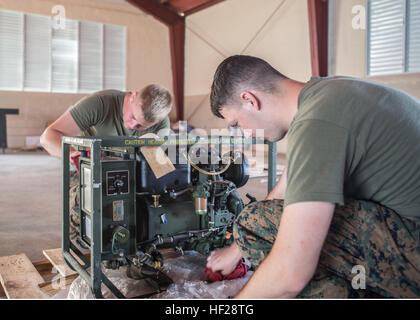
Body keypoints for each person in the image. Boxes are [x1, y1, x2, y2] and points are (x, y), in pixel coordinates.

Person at [206, 55, 420, 298]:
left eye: (236, 123)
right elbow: (291, 179)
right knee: (256, 223)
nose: (244, 134)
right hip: (408, 226)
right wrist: (236, 251)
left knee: (255, 224)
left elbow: (291, 275)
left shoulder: (316, 122)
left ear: (250, 100)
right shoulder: (327, 94)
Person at [40, 84, 173, 246]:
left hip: (127, 171)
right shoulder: (100, 104)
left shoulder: (160, 124)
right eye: (132, 117)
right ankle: (84, 248)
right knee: (84, 213)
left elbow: (158, 167)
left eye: (141, 126)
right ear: (133, 96)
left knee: (146, 207)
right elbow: (48, 136)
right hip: (88, 168)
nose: (132, 126)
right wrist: (75, 155)